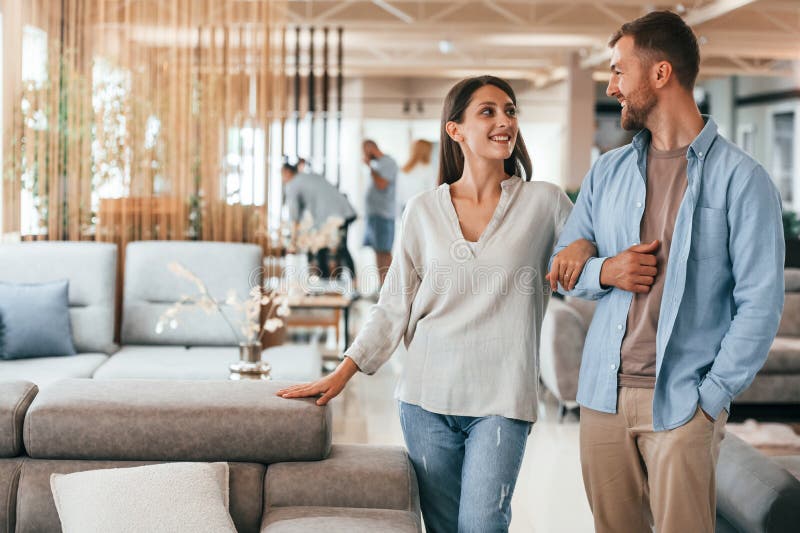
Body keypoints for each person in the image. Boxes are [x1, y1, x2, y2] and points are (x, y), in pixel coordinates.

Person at [277, 75, 591, 533]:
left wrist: (583, 247)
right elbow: (393, 305)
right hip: (425, 400)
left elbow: (592, 259)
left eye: (510, 110)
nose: (505, 121)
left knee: (482, 524)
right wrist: (343, 371)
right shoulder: (423, 210)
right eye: (488, 111)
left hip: (502, 399)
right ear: (455, 130)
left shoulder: (546, 203)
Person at [547, 11, 784, 533]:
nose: (611, 87)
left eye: (618, 71)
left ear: (660, 74)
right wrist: (605, 269)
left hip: (682, 402)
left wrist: (710, 399)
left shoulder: (743, 181)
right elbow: (561, 267)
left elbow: (761, 304)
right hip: (602, 397)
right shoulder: (606, 173)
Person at [281, 162, 357, 279]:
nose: (282, 179)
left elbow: (294, 216)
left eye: (282, 175)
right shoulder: (311, 176)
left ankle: (351, 284)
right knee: (329, 247)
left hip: (333, 217)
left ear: (287, 172)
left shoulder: (293, 184)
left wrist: (293, 241)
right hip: (345, 211)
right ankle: (335, 283)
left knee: (337, 248)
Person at [362, 140, 398, 285]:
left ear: (371, 148)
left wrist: (370, 167)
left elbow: (382, 184)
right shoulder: (376, 164)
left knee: (384, 251)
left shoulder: (387, 162)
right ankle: (382, 286)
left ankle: (389, 288)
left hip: (383, 215)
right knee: (378, 251)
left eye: (364, 150)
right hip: (374, 215)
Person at [397, 139, 437, 215]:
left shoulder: (404, 169)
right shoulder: (428, 169)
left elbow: (399, 194)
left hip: (405, 207)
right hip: (422, 208)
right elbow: (432, 191)